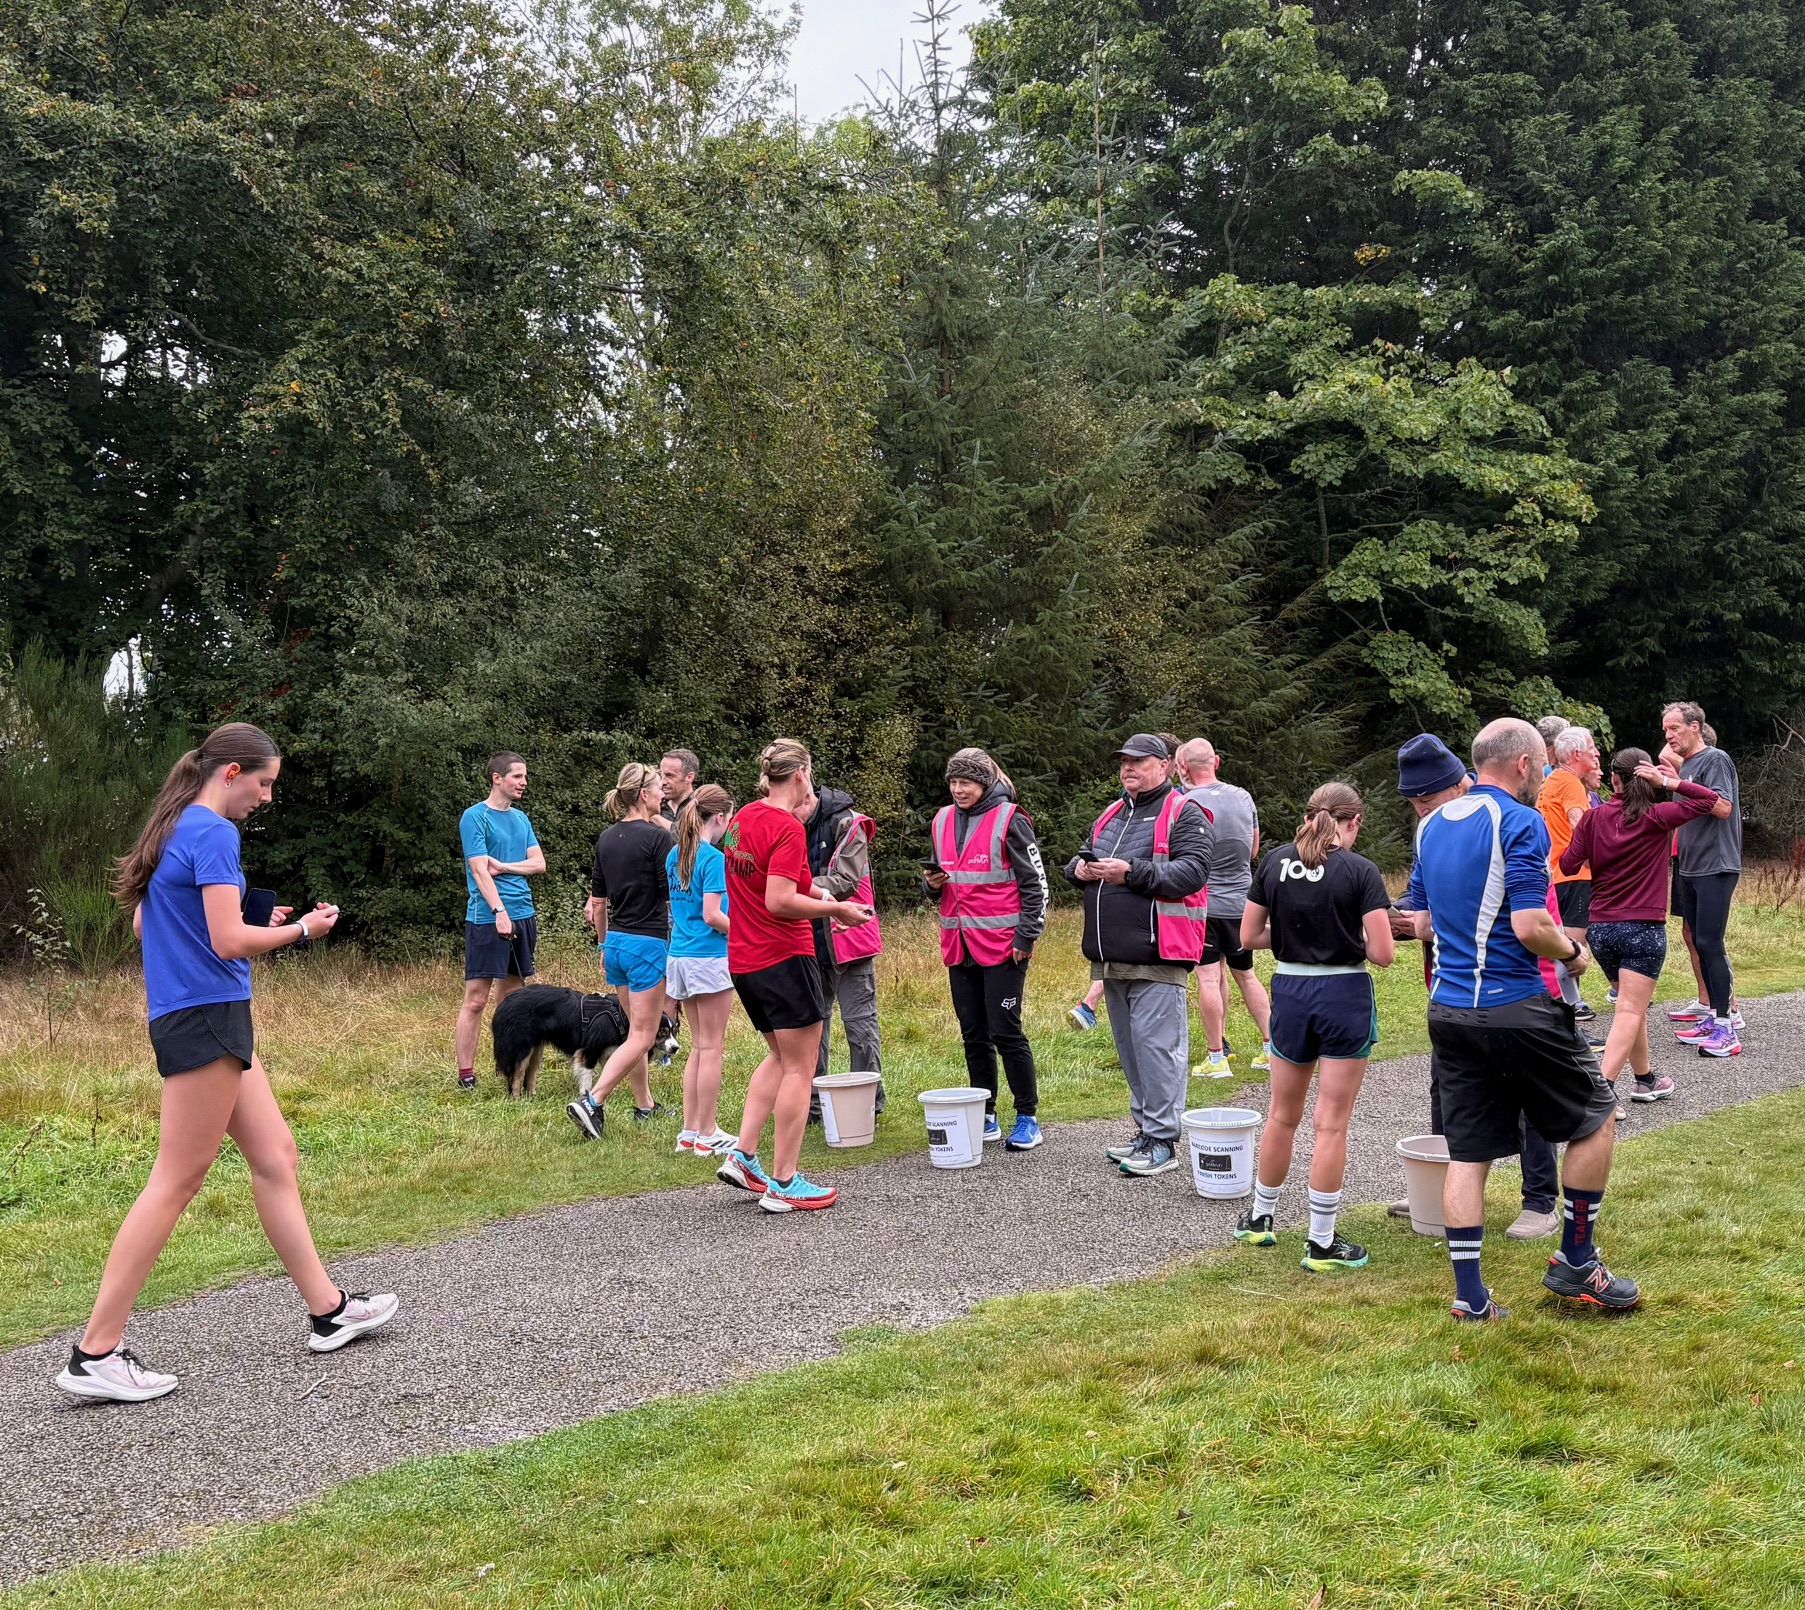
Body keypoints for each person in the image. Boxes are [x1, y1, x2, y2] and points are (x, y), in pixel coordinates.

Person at [58, 724, 398, 1402]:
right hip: (207, 1015)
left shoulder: (176, 826)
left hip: (203, 1014)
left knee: (276, 1154)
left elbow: (147, 925)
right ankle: (95, 1353)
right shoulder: (214, 832)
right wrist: (301, 931)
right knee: (175, 1181)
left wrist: (250, 916)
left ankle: (328, 1311)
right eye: (264, 783)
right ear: (232, 770)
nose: (267, 797)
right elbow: (225, 939)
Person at [1409, 718, 1637, 1322]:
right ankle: (1576, 1260)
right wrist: (1573, 952)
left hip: (1448, 1010)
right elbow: (1530, 925)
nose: (1541, 774)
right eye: (1539, 764)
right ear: (1521, 764)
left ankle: (1471, 1297)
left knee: (1469, 1153)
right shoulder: (1520, 820)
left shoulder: (1429, 826)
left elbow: (1424, 925)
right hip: (1513, 1006)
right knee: (1596, 1116)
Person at [1388, 734, 1562, 1240]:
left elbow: (1528, 917)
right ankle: (1443, 1187)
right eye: (1414, 803)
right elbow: (1423, 908)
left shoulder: (1508, 823)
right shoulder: (1436, 830)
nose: (1421, 811)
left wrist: (1419, 921)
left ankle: (1539, 1200)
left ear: (1459, 783)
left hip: (1519, 980)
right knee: (1449, 1091)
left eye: (1427, 800)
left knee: (1527, 1095)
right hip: (1454, 986)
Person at [1234, 783, 1395, 1269]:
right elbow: (1383, 955)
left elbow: (1248, 936)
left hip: (1289, 991)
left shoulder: (1275, 862)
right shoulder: (1360, 870)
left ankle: (1260, 1219)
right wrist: (1358, 934)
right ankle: (1321, 1240)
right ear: (1354, 822)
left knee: (1282, 1114)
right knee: (1331, 1123)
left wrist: (1289, 936)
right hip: (1342, 994)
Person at [714, 740, 874, 1212]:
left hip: (745, 960)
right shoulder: (786, 826)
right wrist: (840, 905)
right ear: (802, 774)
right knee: (801, 1068)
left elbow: (781, 883)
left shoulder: (743, 816)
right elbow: (778, 900)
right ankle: (784, 1180)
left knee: (780, 1059)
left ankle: (744, 1156)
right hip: (783, 957)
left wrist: (828, 906)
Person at [1065, 734, 1211, 1178]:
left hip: (1159, 952)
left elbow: (1193, 871)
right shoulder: (1111, 814)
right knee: (1131, 1050)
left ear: (1166, 766)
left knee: (1157, 1049)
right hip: (1110, 956)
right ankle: (1146, 1132)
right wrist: (1079, 869)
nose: (1128, 768)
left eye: (1139, 761)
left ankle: (1164, 1141)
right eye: (1124, 762)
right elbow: (1082, 858)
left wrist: (1132, 872)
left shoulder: (1184, 812)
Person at [1562, 749, 1720, 1103]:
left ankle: (1646, 1079)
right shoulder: (1658, 816)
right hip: (1642, 928)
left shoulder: (1592, 818)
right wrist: (1668, 781)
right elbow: (1709, 799)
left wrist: (1589, 835)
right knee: (1631, 1009)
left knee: (1631, 1008)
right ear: (1645, 778)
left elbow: (1569, 865)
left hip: (1600, 929)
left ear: (1615, 780)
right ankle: (1601, 1092)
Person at [925, 747, 1050, 1150]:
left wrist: (1026, 936)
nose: (959, 789)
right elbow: (943, 881)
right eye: (954, 782)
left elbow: (1036, 885)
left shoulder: (1011, 819)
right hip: (958, 944)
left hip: (1003, 946)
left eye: (967, 782)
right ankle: (986, 1114)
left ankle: (1027, 1116)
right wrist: (931, 885)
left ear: (985, 782)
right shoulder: (941, 819)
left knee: (1005, 1032)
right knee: (973, 1033)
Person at [567, 763, 673, 1139]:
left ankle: (644, 1105)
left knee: (634, 1032)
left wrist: (602, 943)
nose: (664, 794)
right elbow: (671, 894)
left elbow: (597, 903)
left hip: (616, 945)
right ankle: (592, 1101)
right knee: (644, 1035)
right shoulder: (658, 840)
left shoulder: (607, 838)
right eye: (660, 788)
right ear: (644, 794)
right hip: (647, 945)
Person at [1175, 737, 1273, 1076]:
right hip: (1243, 903)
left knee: (1207, 977)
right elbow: (1253, 849)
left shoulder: (1183, 802)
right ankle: (1271, 1048)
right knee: (1246, 974)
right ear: (1216, 761)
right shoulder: (1243, 797)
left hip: (1205, 905)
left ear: (1183, 767)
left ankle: (1216, 1058)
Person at [455, 752, 546, 1090]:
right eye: (517, 776)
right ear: (497, 778)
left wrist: (506, 866)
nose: (523, 782)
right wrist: (499, 911)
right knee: (477, 999)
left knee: (512, 1001)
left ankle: (508, 1068)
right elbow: (479, 868)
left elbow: (538, 864)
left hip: (524, 914)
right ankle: (466, 1075)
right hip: (487, 918)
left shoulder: (521, 819)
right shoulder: (474, 817)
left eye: (524, 777)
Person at [1662, 702, 1744, 1057]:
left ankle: (1728, 1028)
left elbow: (1724, 807)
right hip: (1691, 866)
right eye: (1665, 729)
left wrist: (1675, 782)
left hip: (1717, 864)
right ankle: (1713, 1016)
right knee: (1698, 942)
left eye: (1675, 729)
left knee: (1711, 943)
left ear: (1695, 726)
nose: (1668, 736)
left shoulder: (1715, 759)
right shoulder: (1690, 765)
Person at [801, 780, 885, 1113]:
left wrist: (787, 886)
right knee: (811, 1028)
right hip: (807, 939)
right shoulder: (786, 822)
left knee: (859, 1025)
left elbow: (845, 881)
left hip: (850, 939)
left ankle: (867, 1105)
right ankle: (812, 1106)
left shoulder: (849, 823)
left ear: (805, 795)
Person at [664, 784, 738, 1155]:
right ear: (720, 818)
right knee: (712, 1048)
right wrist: (744, 930)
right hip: (708, 957)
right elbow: (712, 915)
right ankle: (708, 1132)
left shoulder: (674, 855)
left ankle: (690, 1130)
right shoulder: (713, 859)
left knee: (698, 1046)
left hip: (678, 954)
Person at [1538, 726, 1602, 1031]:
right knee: (1571, 947)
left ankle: (1563, 1008)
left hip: (1556, 873)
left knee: (1564, 941)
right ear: (1576, 754)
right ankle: (1566, 1015)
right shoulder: (1573, 785)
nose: (1596, 752)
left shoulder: (1551, 781)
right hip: (1575, 874)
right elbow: (1580, 826)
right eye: (1591, 747)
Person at [658, 748, 700, 826]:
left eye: (670, 776)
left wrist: (655, 818)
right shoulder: (656, 806)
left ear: (689, 777)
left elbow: (689, 837)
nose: (662, 782)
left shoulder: (701, 808)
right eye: (661, 774)